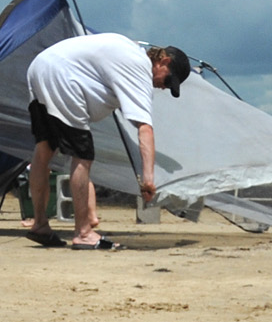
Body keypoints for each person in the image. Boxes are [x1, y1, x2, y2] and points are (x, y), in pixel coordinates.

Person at [24, 34, 189, 249]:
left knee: (44, 149)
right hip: (63, 77)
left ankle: (40, 224)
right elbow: (145, 128)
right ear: (163, 61)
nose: (163, 87)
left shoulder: (128, 50)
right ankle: (84, 233)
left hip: (40, 66)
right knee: (82, 156)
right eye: (167, 80)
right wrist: (149, 179)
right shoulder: (139, 66)